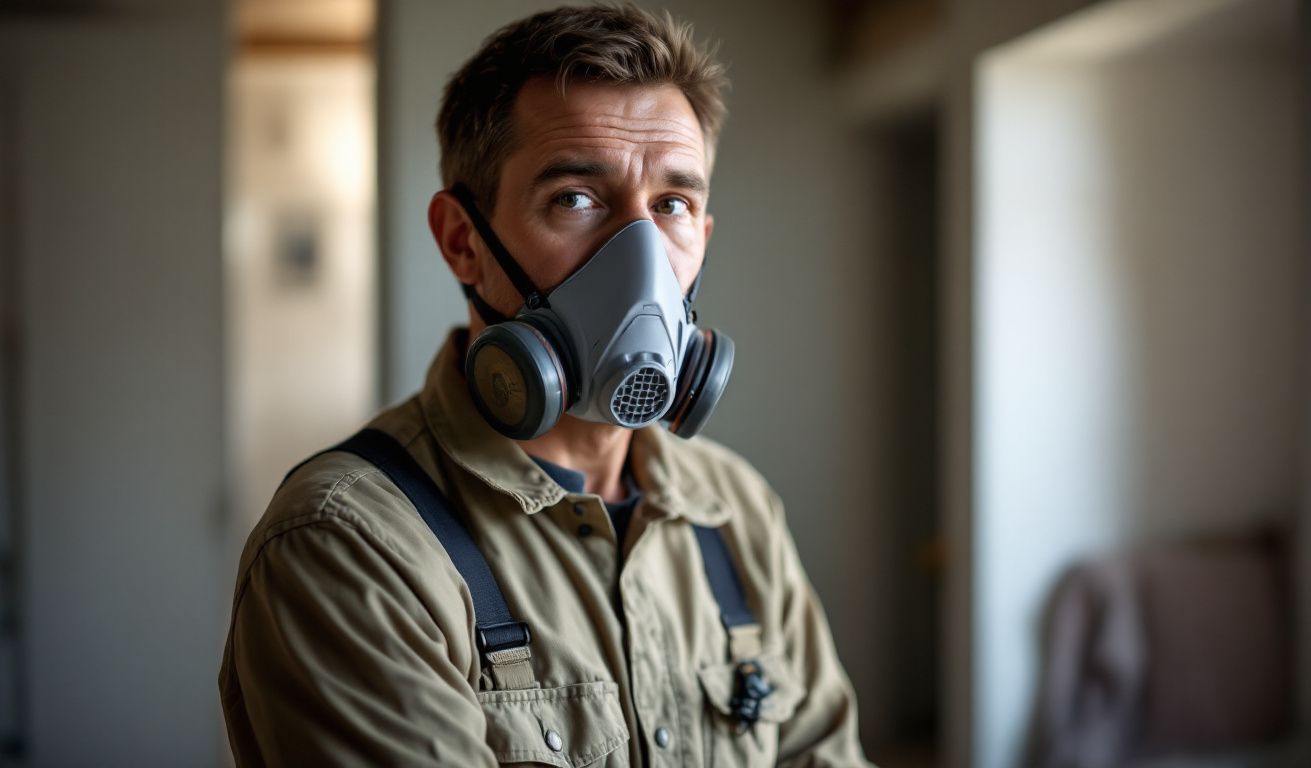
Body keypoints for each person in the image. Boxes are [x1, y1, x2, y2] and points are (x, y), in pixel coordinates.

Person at [219, 6, 874, 766]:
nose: (643, 259)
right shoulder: (350, 546)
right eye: (576, 198)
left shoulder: (736, 512)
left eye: (672, 205)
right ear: (463, 241)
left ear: (702, 233)